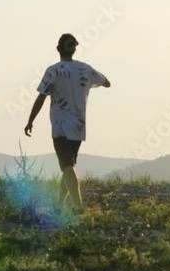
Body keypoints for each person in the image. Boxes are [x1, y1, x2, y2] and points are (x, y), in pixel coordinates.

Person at [25, 33, 111, 212]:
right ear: (74, 49)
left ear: (58, 49)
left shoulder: (53, 71)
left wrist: (30, 121)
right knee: (68, 166)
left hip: (60, 127)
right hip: (79, 126)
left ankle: (78, 208)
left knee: (67, 166)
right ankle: (58, 206)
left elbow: (41, 97)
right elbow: (107, 83)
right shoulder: (85, 69)